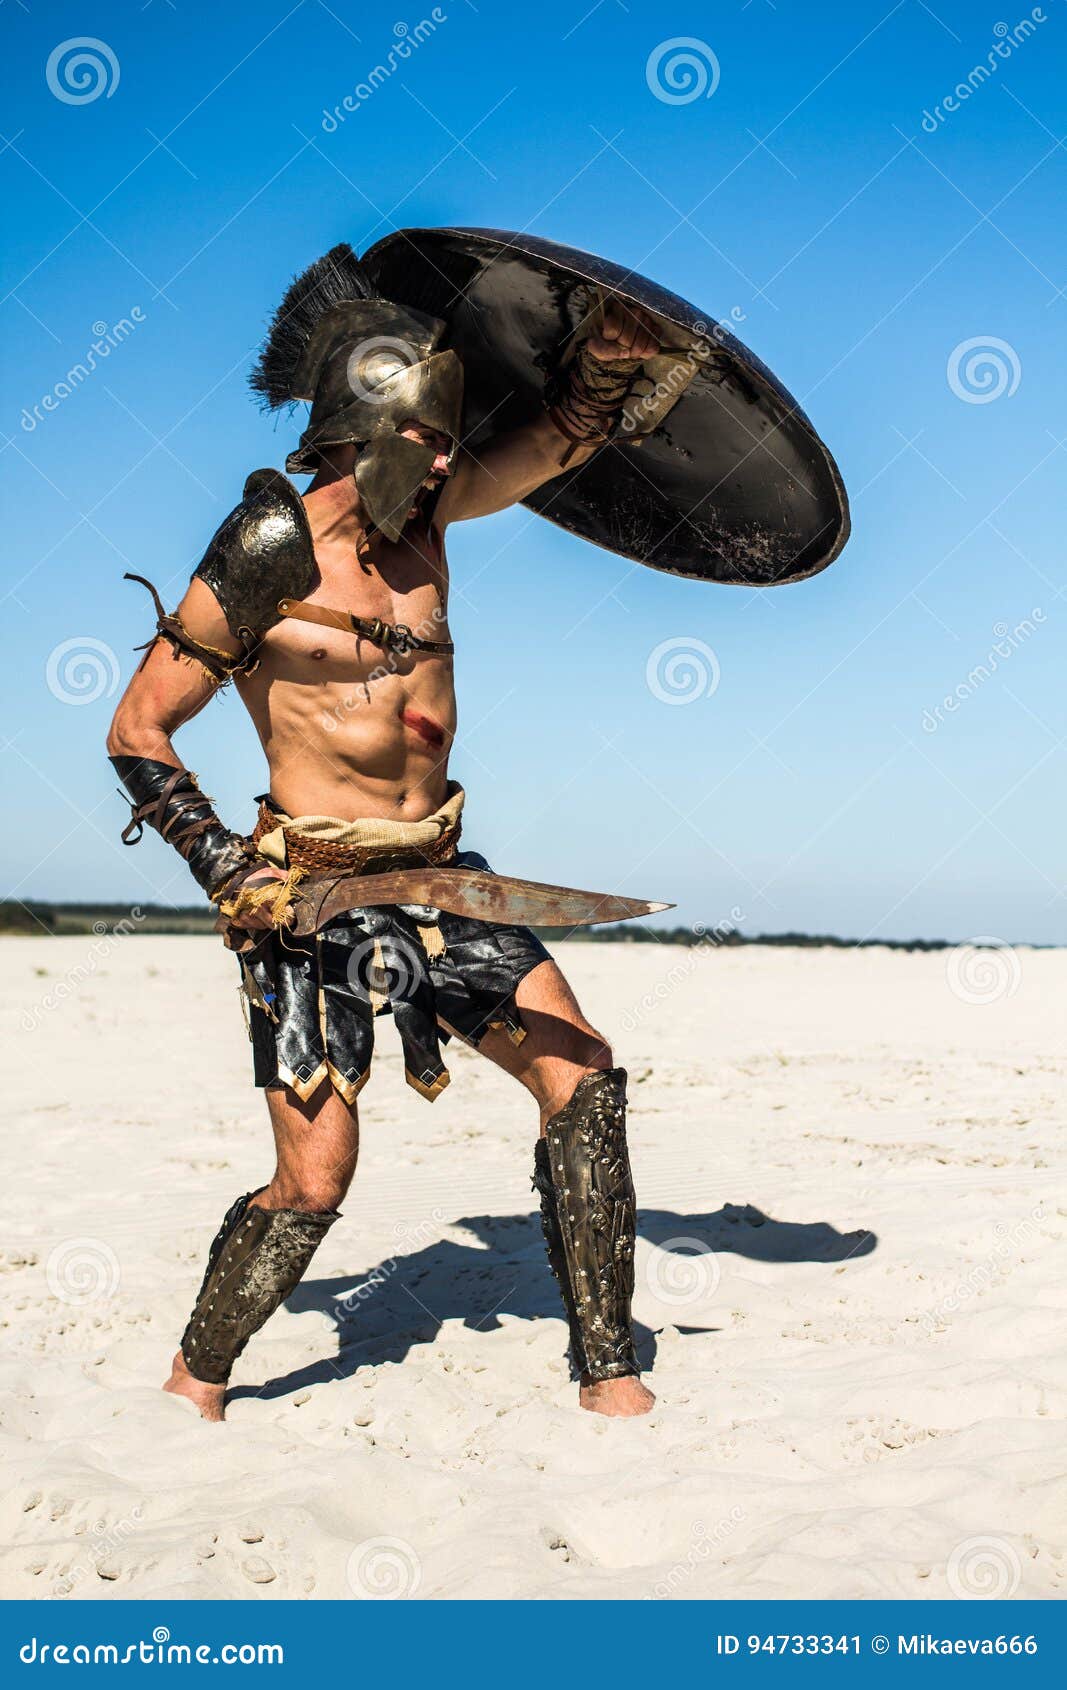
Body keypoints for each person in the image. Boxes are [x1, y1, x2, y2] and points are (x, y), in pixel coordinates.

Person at [106, 243, 660, 1422]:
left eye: (454, 440)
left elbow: (552, 442)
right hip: (306, 899)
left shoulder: (433, 521)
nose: (453, 459)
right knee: (316, 1176)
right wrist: (222, 867)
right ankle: (196, 1379)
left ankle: (608, 1375)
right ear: (361, 435)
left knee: (584, 1075)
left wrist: (605, 366)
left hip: (442, 879)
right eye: (432, 437)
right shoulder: (266, 555)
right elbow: (138, 728)